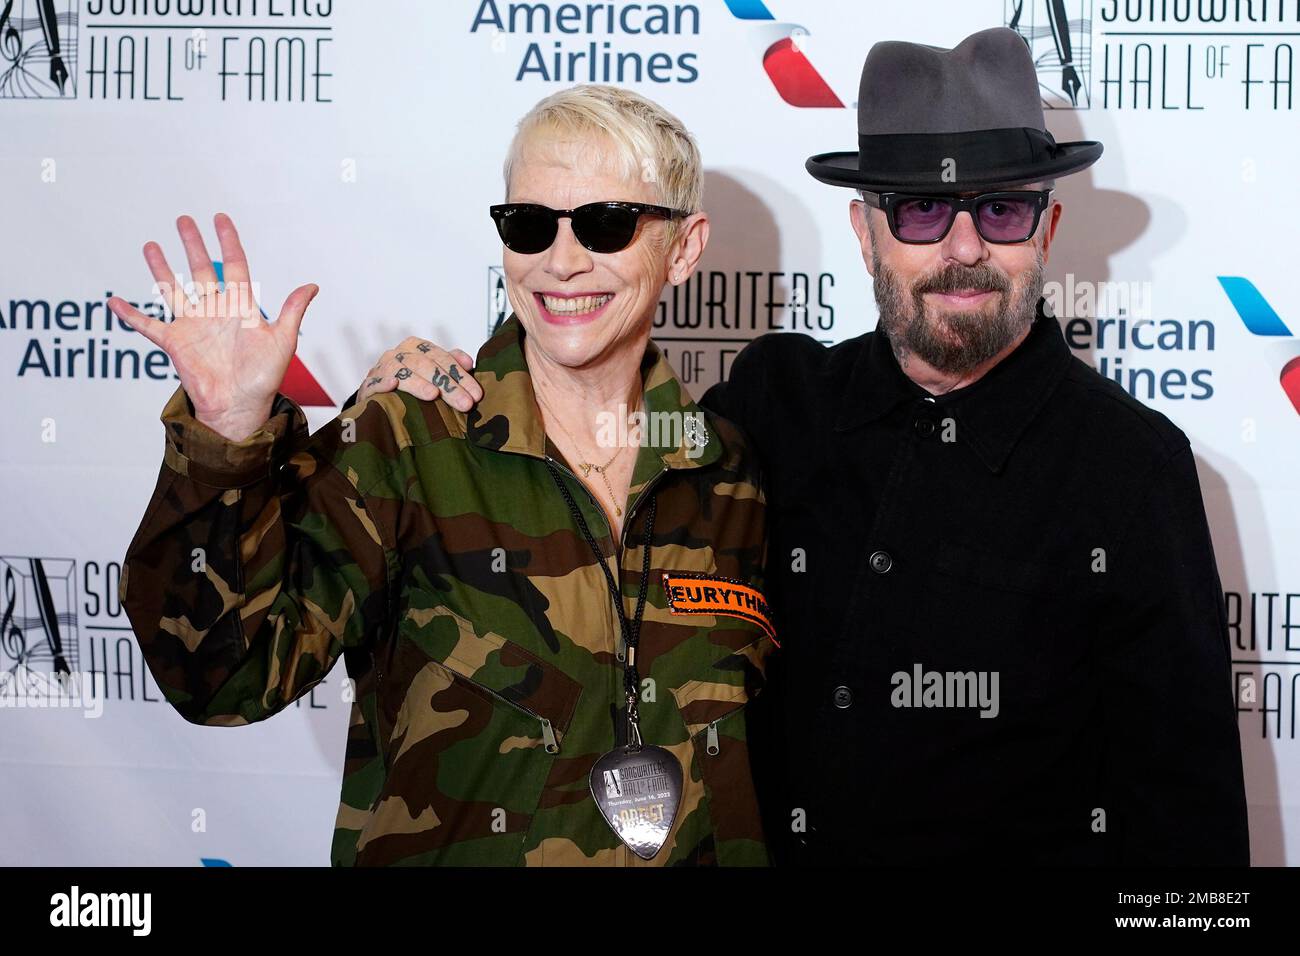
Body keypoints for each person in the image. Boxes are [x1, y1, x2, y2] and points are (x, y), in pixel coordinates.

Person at [364, 29, 1250, 865]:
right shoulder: (773, 406)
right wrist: (457, 383)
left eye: (1005, 211)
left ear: (1048, 235)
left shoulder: (1134, 470)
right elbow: (592, 457)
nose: (966, 247)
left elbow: (1188, 821)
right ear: (865, 237)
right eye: (922, 211)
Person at [112, 85, 778, 867]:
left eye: (605, 224)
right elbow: (220, 678)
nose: (561, 263)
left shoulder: (729, 475)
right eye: (529, 226)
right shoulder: (407, 442)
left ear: (686, 246)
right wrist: (226, 439)